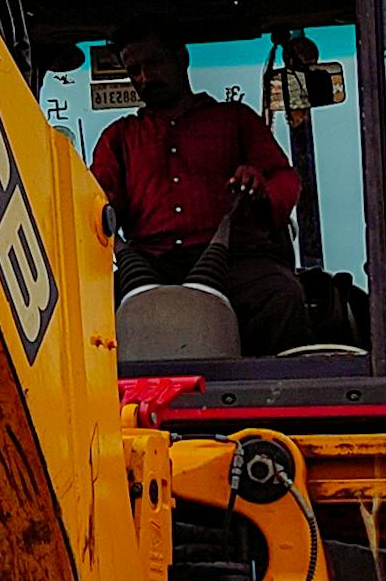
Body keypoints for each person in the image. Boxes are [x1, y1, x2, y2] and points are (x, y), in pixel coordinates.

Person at [89, 29, 310, 356]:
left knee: (281, 294)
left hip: (236, 260)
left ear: (181, 59)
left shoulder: (235, 120)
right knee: (86, 315)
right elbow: (96, 202)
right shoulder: (119, 137)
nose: (145, 76)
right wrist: (100, 209)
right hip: (151, 265)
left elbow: (283, 178)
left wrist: (259, 186)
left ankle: (274, 397)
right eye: (134, 70)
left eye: (154, 62)